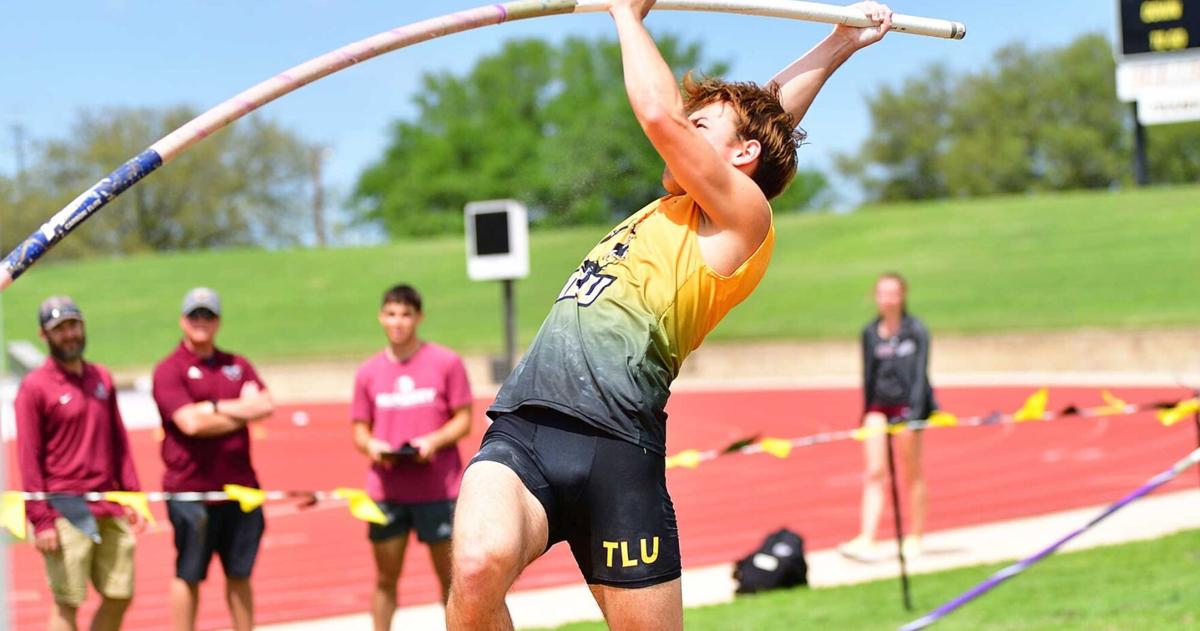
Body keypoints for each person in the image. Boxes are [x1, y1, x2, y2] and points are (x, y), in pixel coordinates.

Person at [446, 2, 895, 628]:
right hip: (525, 428)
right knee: (475, 568)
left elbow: (666, 117)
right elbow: (765, 120)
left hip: (617, 450)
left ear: (740, 157)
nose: (682, 128)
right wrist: (840, 42)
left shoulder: (742, 220)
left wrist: (626, 15)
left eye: (698, 125)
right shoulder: (679, 205)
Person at [15, 296, 144, 631]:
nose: (69, 334)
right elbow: (28, 457)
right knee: (68, 601)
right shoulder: (34, 387)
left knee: (120, 594)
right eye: (60, 329)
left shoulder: (101, 377)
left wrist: (133, 497)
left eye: (73, 325)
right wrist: (41, 519)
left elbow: (119, 441)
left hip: (108, 504)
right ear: (44, 335)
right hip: (64, 509)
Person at [351, 284, 473, 631]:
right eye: (391, 314)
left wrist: (433, 441)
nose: (398, 322)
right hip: (387, 491)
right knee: (385, 579)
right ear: (381, 317)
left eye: (406, 314)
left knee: (451, 583)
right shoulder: (368, 372)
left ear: (419, 317)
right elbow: (359, 430)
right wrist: (373, 446)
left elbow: (463, 420)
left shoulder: (446, 362)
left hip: (438, 488)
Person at [152, 287, 275, 631]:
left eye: (208, 315)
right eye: (195, 315)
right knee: (188, 573)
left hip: (240, 490)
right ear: (183, 320)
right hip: (191, 493)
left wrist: (214, 408)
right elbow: (190, 424)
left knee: (240, 573)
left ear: (218, 321)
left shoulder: (237, 365)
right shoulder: (169, 369)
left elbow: (266, 404)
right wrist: (241, 412)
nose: (201, 322)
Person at [838, 272, 936, 562]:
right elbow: (868, 375)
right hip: (879, 407)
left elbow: (920, 374)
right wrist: (865, 412)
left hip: (908, 408)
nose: (888, 299)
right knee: (874, 471)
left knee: (911, 470)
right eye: (882, 293)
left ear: (902, 295)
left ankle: (915, 536)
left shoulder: (916, 330)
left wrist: (916, 414)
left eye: (893, 293)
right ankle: (867, 537)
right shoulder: (870, 333)